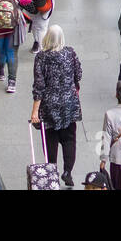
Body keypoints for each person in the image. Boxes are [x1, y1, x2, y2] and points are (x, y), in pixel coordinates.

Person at [30, 24, 83, 189]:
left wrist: (35, 112)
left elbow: (39, 86)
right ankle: (68, 171)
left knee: (50, 141)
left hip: (49, 107)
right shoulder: (70, 53)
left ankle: (51, 172)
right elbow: (79, 73)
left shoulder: (41, 58)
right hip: (69, 105)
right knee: (69, 140)